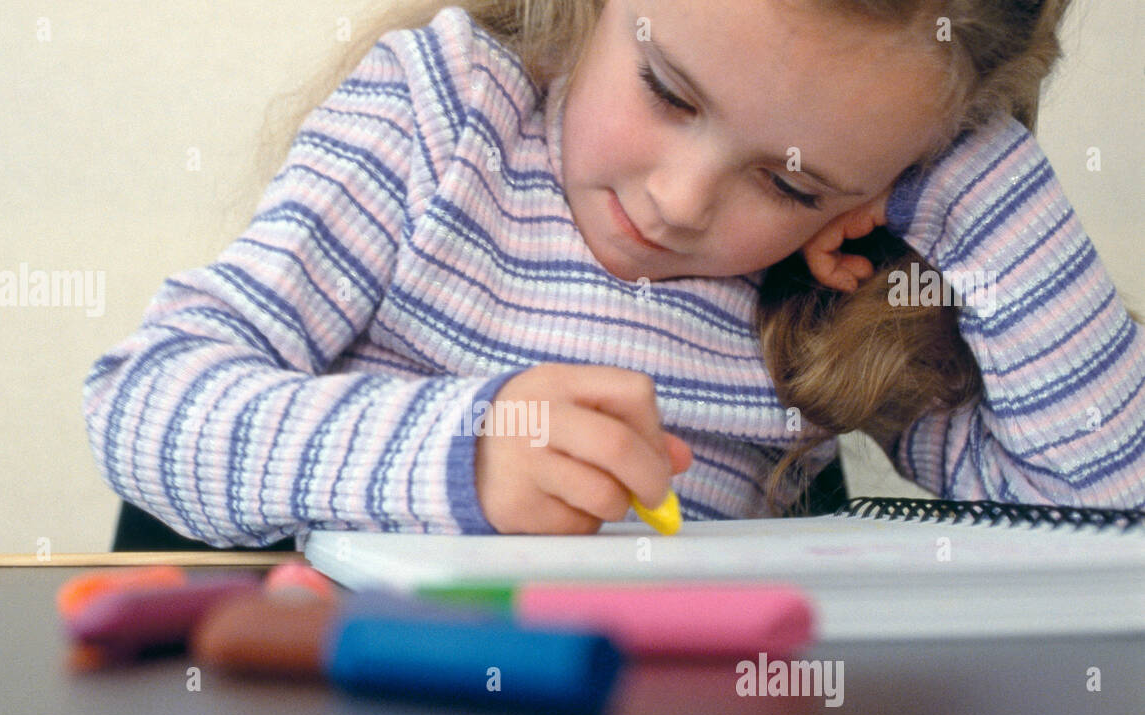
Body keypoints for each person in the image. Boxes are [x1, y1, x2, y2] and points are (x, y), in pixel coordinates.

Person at [83, 0, 1145, 549]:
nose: (680, 201)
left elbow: (1107, 518)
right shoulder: (443, 120)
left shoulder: (834, 291)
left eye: (788, 180)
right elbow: (145, 402)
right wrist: (458, 453)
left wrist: (970, 173)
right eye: (668, 92)